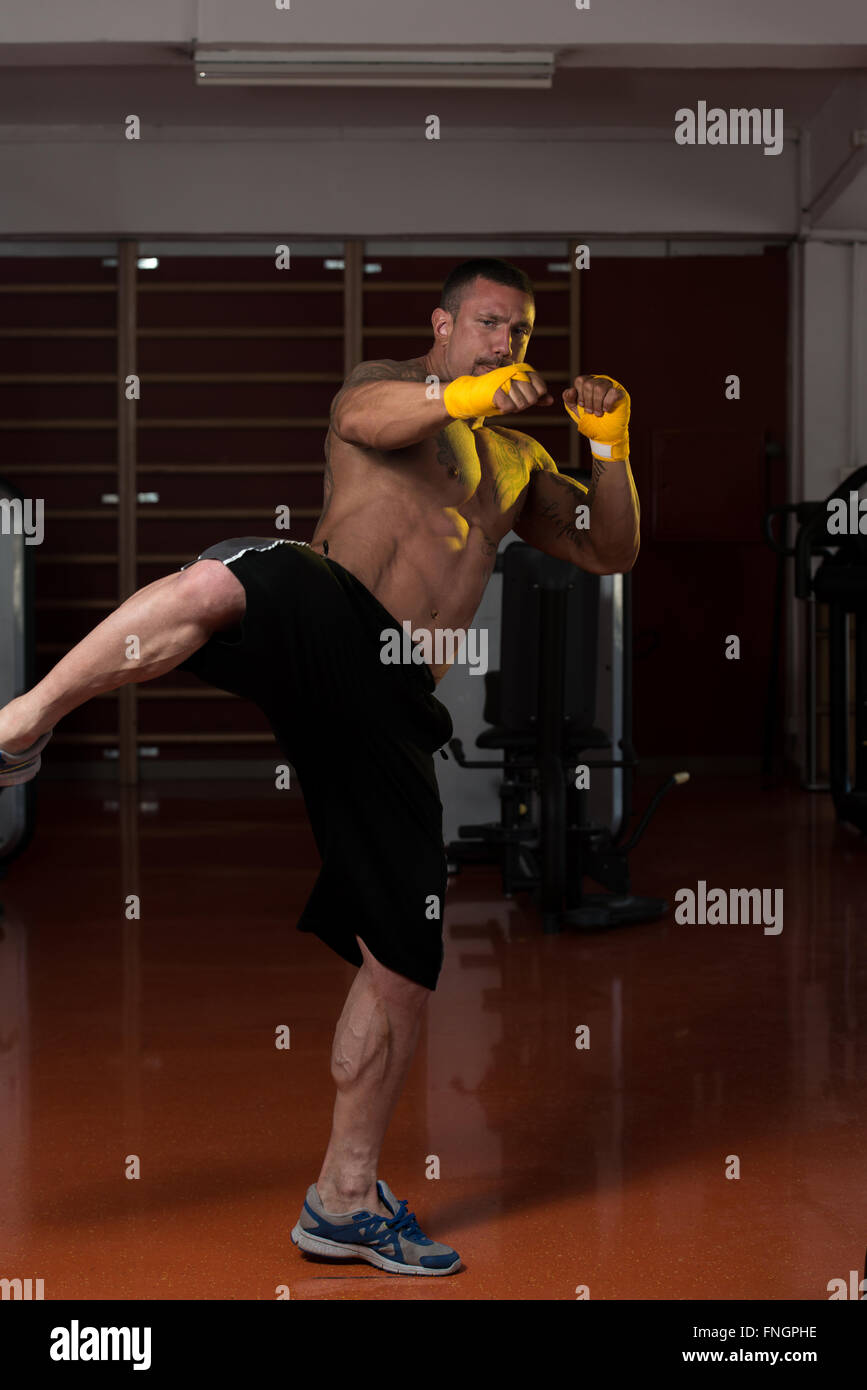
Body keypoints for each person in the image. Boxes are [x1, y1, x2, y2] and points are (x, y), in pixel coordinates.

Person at [0, 258, 640, 1276]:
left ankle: (342, 1200)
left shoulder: (517, 463)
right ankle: (19, 726)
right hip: (330, 622)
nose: (505, 343)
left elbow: (610, 549)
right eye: (487, 323)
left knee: (405, 952)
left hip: (395, 707)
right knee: (236, 576)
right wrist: (463, 393)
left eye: (518, 333)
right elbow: (373, 422)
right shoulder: (383, 384)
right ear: (441, 324)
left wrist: (610, 446)